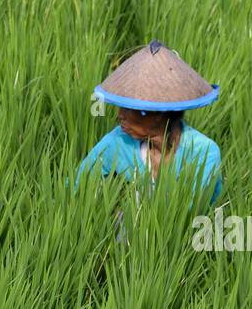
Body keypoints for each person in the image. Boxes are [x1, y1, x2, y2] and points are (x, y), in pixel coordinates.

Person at [74, 40, 222, 205]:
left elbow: (191, 212)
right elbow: (77, 186)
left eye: (128, 108)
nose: (119, 115)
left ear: (158, 113)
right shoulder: (118, 142)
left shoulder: (203, 152)